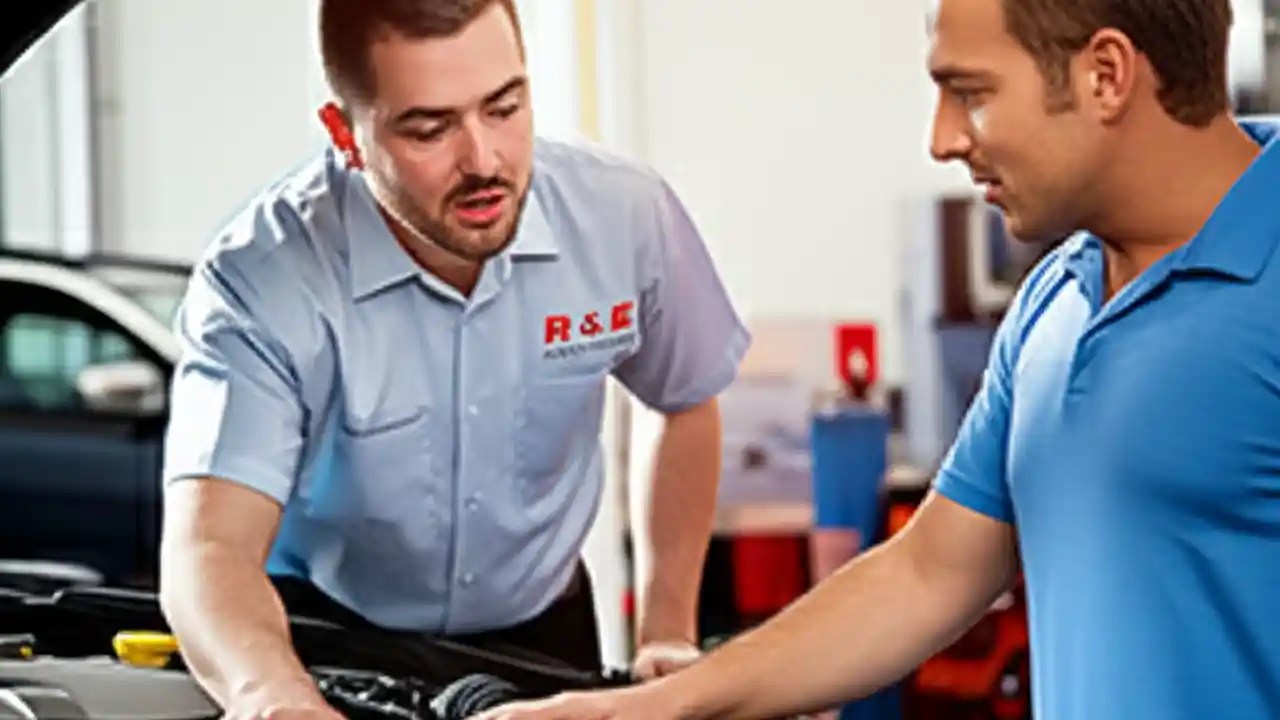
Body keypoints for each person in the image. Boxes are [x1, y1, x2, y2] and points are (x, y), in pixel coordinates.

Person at [476, 0, 1280, 718]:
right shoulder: (1059, 296)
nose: (942, 139)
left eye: (971, 93)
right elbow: (927, 573)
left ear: (1106, 75)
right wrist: (659, 707)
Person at [157, 1, 750, 717]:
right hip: (326, 646)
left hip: (544, 643)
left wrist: (667, 630)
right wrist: (268, 696)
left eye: (504, 107)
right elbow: (211, 549)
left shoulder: (624, 215)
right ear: (345, 133)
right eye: (429, 128)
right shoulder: (262, 277)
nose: (483, 161)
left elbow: (684, 400)